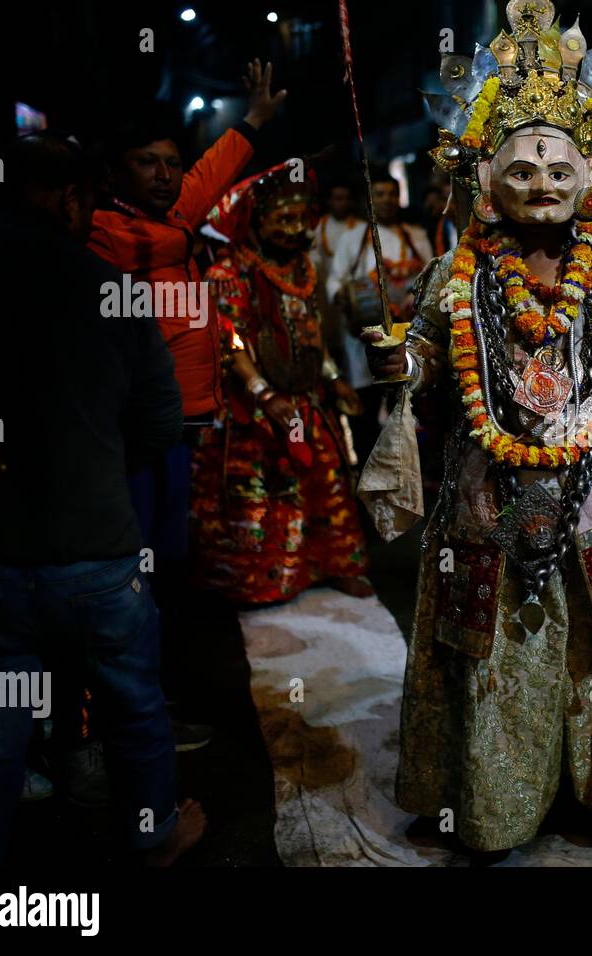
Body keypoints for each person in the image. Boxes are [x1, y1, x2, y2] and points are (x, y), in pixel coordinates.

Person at [361, 0, 592, 857]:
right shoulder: (454, 273)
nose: (541, 186)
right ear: (486, 175)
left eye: (558, 170)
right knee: (486, 641)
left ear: (590, 174)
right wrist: (398, 366)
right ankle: (485, 802)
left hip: (591, 486)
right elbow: (420, 356)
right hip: (485, 487)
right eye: (521, 171)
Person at [0, 132, 204, 865]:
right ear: (70, 199)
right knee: (134, 706)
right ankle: (152, 834)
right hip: (96, 550)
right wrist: (91, 464)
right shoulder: (110, 286)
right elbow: (161, 418)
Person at [88, 59, 286, 741]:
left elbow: (204, 182)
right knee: (133, 579)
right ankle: (122, 721)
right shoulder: (108, 235)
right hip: (133, 436)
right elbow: (183, 217)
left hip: (183, 428)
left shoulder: (171, 213)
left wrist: (255, 120)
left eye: (171, 163)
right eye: (146, 163)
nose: (166, 175)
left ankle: (148, 706)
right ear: (113, 174)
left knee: (168, 570)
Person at [191, 162, 372, 604]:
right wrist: (263, 395)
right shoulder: (228, 274)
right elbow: (228, 342)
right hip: (252, 408)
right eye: (282, 220)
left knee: (326, 484)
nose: (294, 230)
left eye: (300, 220)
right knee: (263, 494)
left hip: (306, 401)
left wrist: (333, 380)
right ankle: (260, 580)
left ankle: (333, 566)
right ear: (256, 223)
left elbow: (312, 334)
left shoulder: (301, 270)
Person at [327, 173, 433, 457]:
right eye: (380, 194)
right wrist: (352, 299)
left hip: (410, 340)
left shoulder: (417, 236)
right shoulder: (351, 239)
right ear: (370, 200)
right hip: (364, 343)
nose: (386, 200)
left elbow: (430, 281)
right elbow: (334, 285)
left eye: (391, 194)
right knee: (368, 414)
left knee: (411, 406)